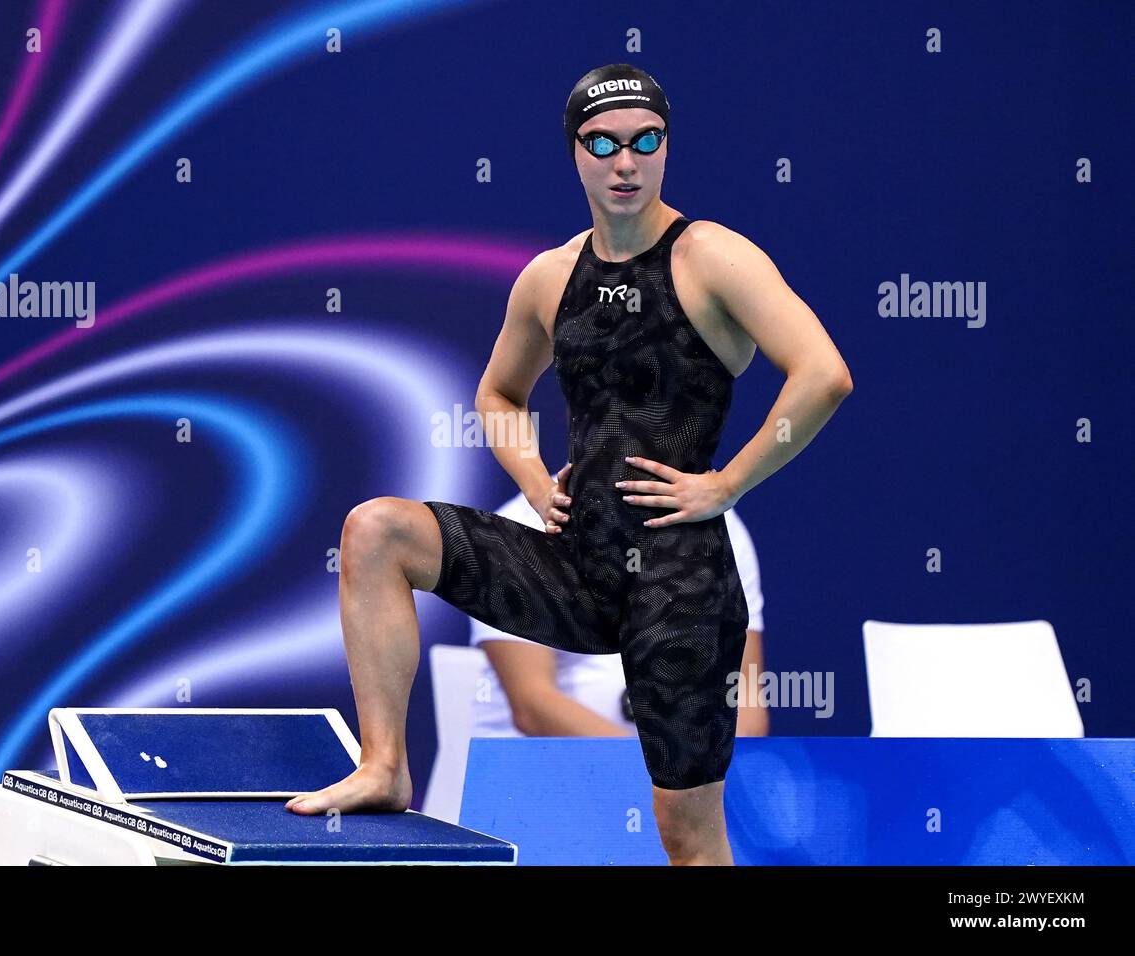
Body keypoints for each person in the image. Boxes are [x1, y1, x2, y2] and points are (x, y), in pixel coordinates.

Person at [287, 63, 852, 866]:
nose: (626, 163)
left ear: (666, 147)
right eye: (605, 144)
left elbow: (824, 374)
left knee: (686, 836)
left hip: (678, 580)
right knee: (377, 531)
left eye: (645, 141)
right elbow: (498, 393)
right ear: (575, 153)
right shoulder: (550, 277)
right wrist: (530, 476)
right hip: (577, 565)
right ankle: (383, 766)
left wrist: (727, 484)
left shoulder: (713, 257)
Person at [470, 481, 768, 742]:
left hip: (679, 781)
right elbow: (533, 706)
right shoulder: (518, 525)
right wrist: (665, 781)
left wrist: (718, 783)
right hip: (541, 770)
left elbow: (745, 698)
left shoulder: (718, 524)